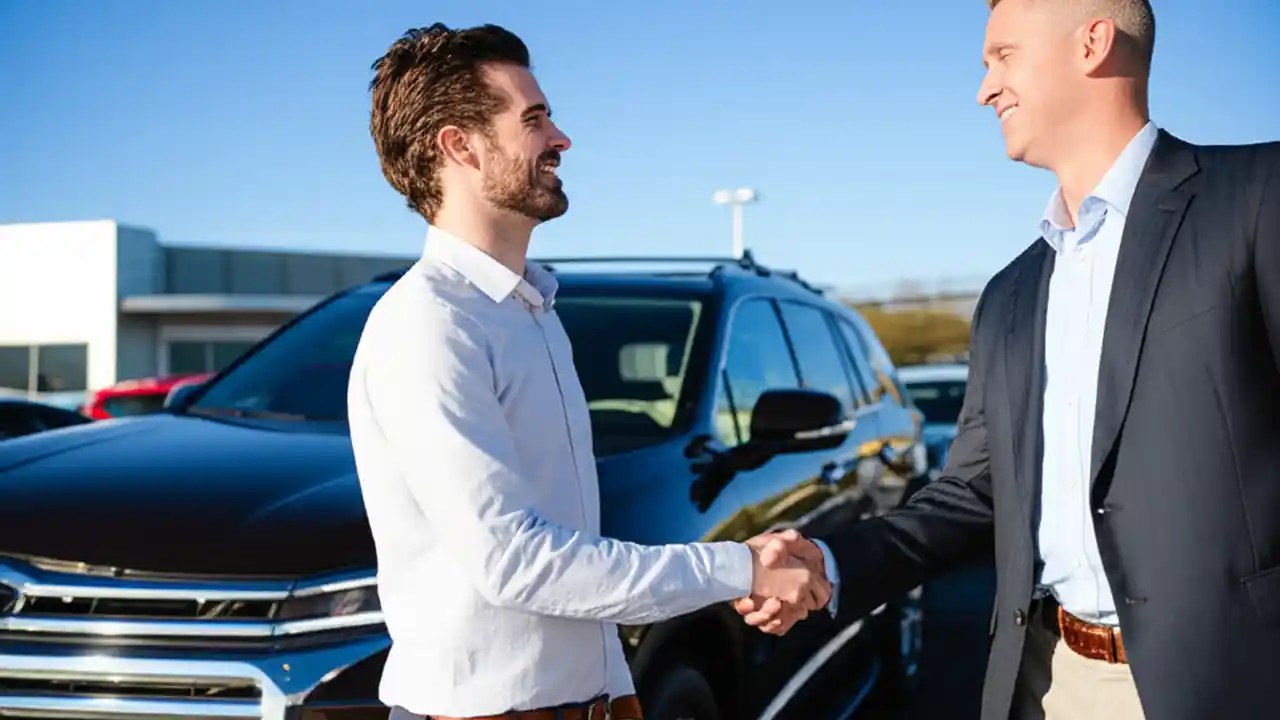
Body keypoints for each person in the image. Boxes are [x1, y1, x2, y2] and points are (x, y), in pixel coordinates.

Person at [736, 1, 1280, 719]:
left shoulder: (1258, 197)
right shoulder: (1010, 295)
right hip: (1045, 681)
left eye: (1002, 57)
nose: (984, 89)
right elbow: (968, 494)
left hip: (1231, 682)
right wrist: (830, 563)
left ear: (1091, 44)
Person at [346, 23, 831, 720]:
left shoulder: (531, 311)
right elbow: (516, 561)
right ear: (460, 146)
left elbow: (570, 542)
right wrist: (741, 567)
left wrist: (617, 688)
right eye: (534, 120)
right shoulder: (429, 323)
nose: (561, 139)